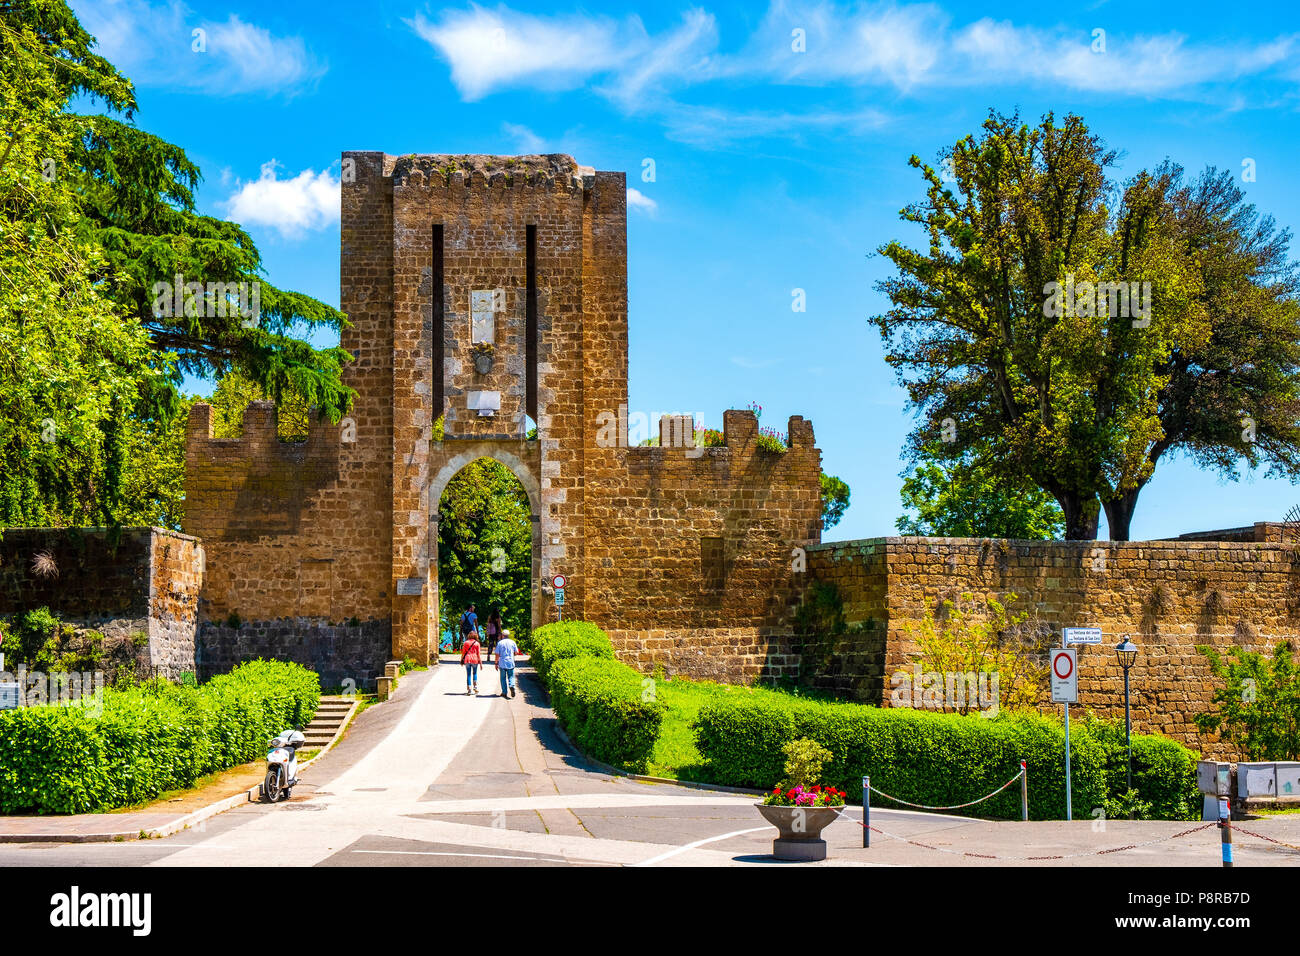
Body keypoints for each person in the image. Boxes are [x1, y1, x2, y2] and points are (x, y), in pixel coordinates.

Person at [495, 630, 519, 699]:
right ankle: (512, 685)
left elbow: (497, 654)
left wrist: (496, 663)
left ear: (502, 635)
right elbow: (516, 652)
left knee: (502, 678)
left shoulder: (500, 643)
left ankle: (504, 693)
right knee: (511, 676)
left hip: (502, 663)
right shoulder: (512, 642)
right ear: (508, 635)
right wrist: (512, 654)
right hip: (510, 662)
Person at [460, 628, 482, 695]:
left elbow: (463, 653)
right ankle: (475, 687)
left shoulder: (466, 642)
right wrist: (480, 663)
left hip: (467, 659)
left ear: (469, 635)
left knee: (468, 674)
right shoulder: (477, 643)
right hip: (475, 659)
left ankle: (469, 689)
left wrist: (461, 660)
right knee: (475, 673)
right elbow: (478, 654)